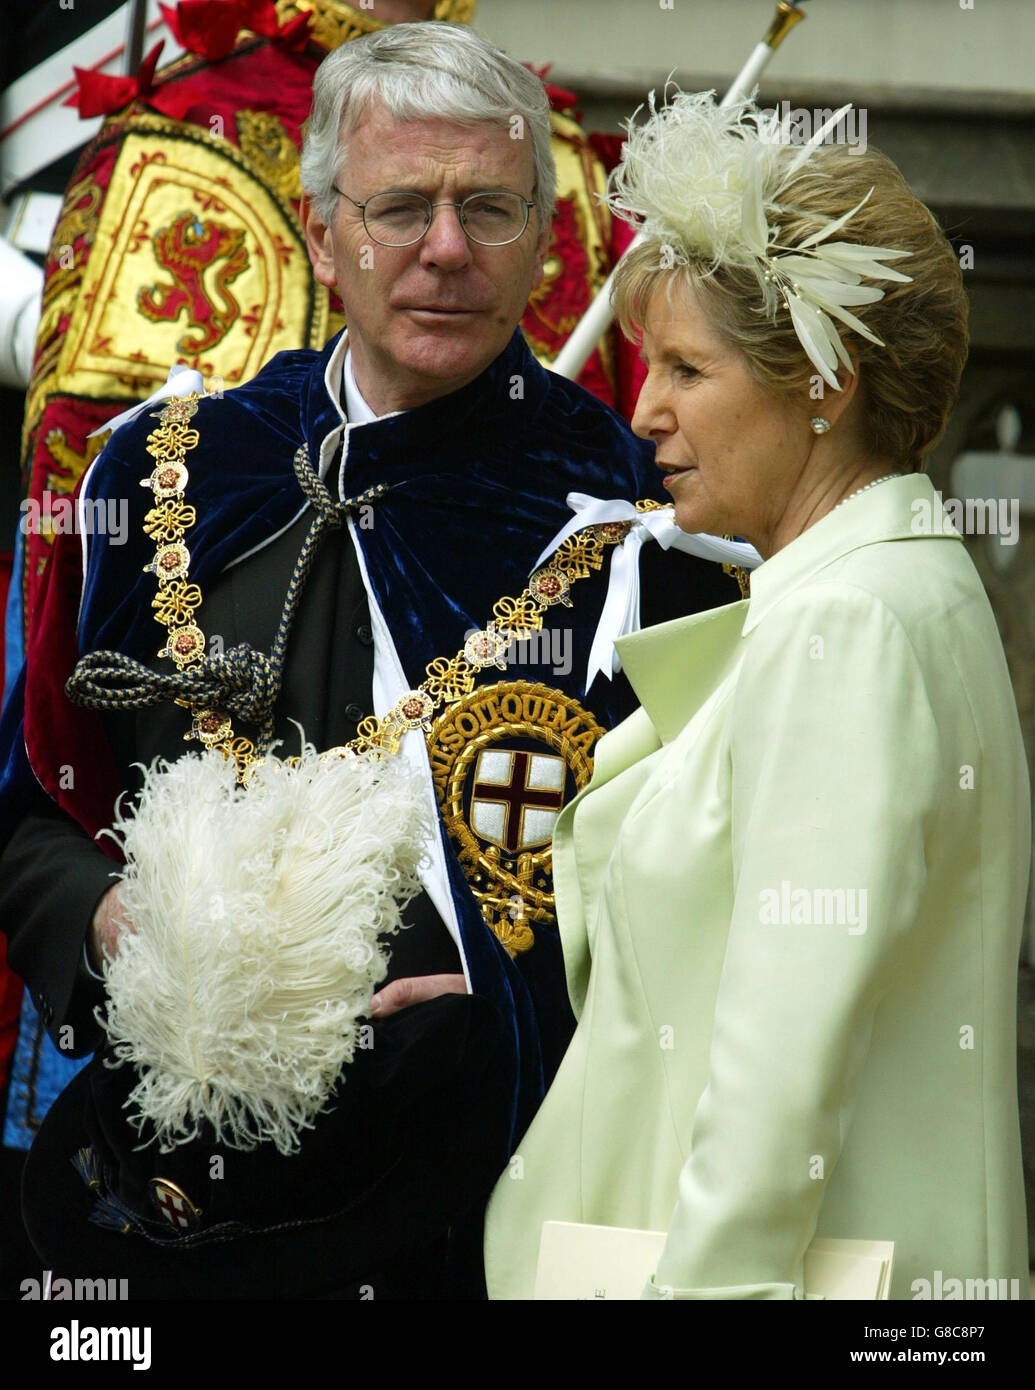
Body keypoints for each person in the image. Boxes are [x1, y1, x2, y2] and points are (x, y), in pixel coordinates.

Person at [0, 31, 737, 1297]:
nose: (445, 249)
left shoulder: (645, 531)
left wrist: (494, 998)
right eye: (400, 207)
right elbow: (35, 817)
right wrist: (109, 922)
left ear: (543, 241)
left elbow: (702, 911)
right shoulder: (155, 470)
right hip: (163, 1211)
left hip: (485, 1221)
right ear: (323, 230)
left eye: (490, 209)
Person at [485, 91, 1031, 1301]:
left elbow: (780, 1074)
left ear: (825, 383)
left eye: (688, 369)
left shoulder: (847, 626)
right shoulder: (885, 587)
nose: (644, 412)